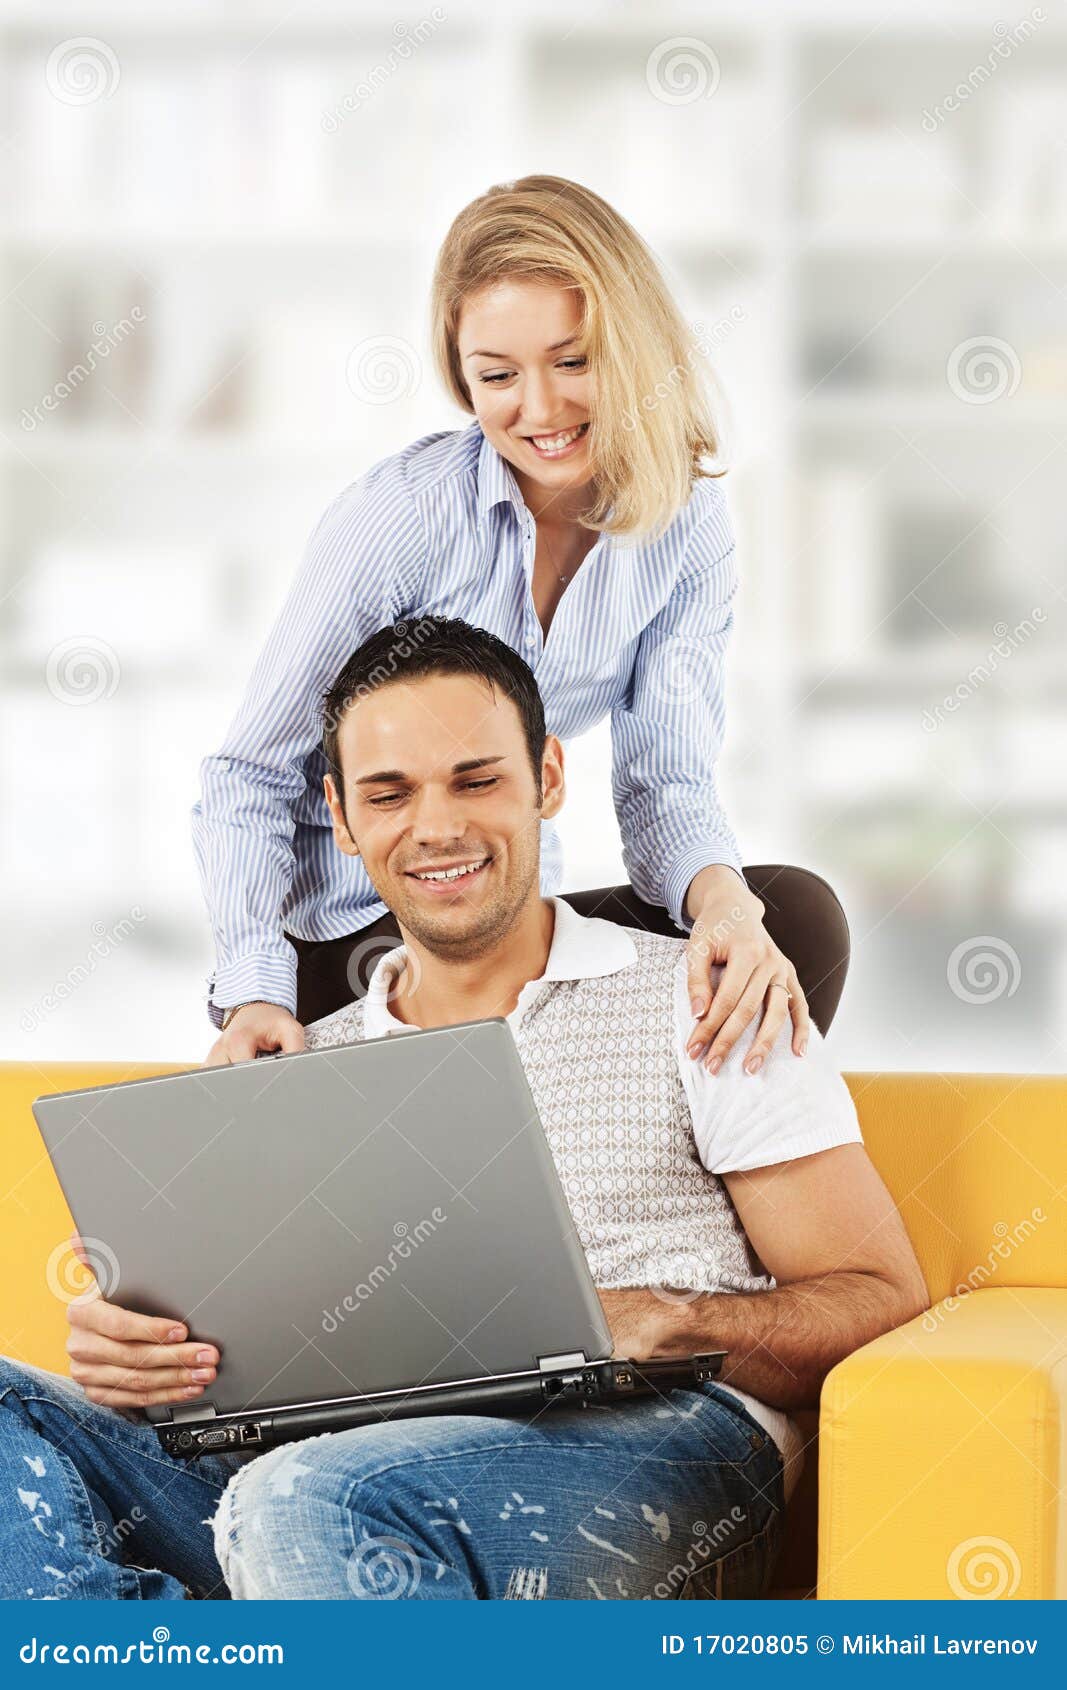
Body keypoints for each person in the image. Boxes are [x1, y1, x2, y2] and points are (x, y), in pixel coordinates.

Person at [0, 620, 925, 1602]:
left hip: (656, 1443)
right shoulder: (303, 1064)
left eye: (475, 780)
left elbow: (877, 1294)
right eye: (389, 793)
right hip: (330, 1471)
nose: (434, 826)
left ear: (548, 779)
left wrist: (671, 1318)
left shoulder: (708, 993)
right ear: (342, 818)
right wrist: (141, 1356)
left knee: (306, 1495)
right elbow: (250, 1369)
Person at [194, 174, 819, 1079]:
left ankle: (686, 1155)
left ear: (634, 349)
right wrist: (257, 987)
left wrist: (725, 905)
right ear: (462, 375)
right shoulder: (402, 520)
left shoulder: (685, 528)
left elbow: (665, 784)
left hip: (507, 905)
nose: (540, 409)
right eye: (497, 376)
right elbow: (249, 773)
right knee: (453, 1081)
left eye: (574, 362)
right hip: (355, 927)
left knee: (789, 918)